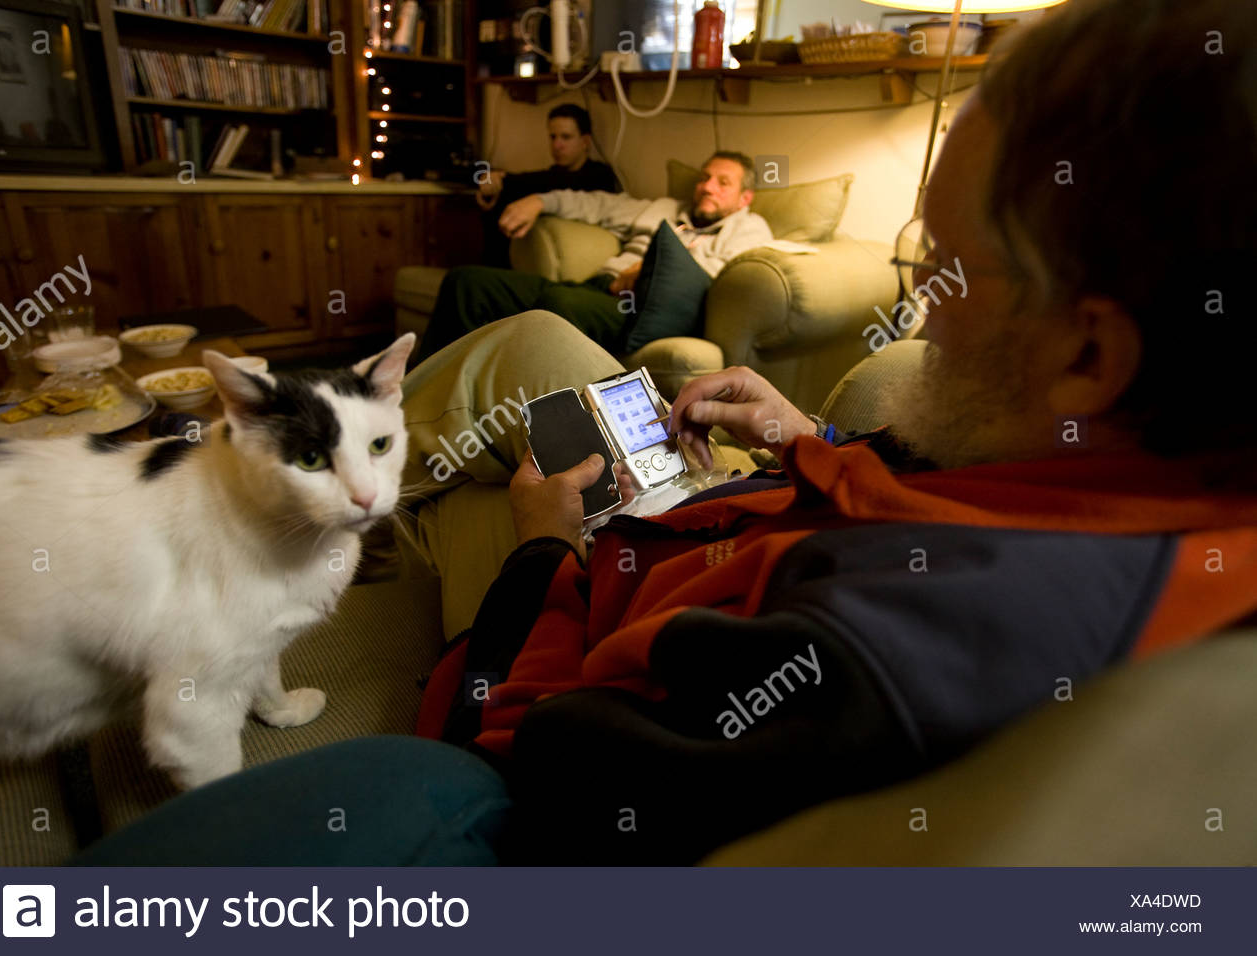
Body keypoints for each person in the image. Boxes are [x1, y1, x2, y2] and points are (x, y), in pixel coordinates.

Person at [75, 0, 1257, 867]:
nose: (918, 309)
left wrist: (543, 549)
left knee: (505, 427)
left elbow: (527, 763)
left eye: (943, 273)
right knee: (530, 329)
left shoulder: (887, 659)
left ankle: (318, 499)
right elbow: (990, 494)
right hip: (708, 506)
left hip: (582, 596)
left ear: (1090, 355)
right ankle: (350, 485)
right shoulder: (1138, 463)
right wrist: (812, 442)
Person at [419, 150, 773, 357]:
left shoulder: (749, 228)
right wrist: (541, 200)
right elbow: (599, 205)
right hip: (592, 288)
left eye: (722, 182)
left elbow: (725, 273)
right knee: (467, 281)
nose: (707, 187)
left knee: (559, 304)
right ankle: (423, 396)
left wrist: (645, 272)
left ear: (745, 197)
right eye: (704, 177)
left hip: (633, 309)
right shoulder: (666, 207)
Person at [476, 104, 618, 267]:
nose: (557, 145)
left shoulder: (599, 175)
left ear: (585, 141)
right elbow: (524, 181)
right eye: (553, 137)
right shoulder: (552, 174)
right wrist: (491, 180)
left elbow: (556, 187)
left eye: (566, 137)